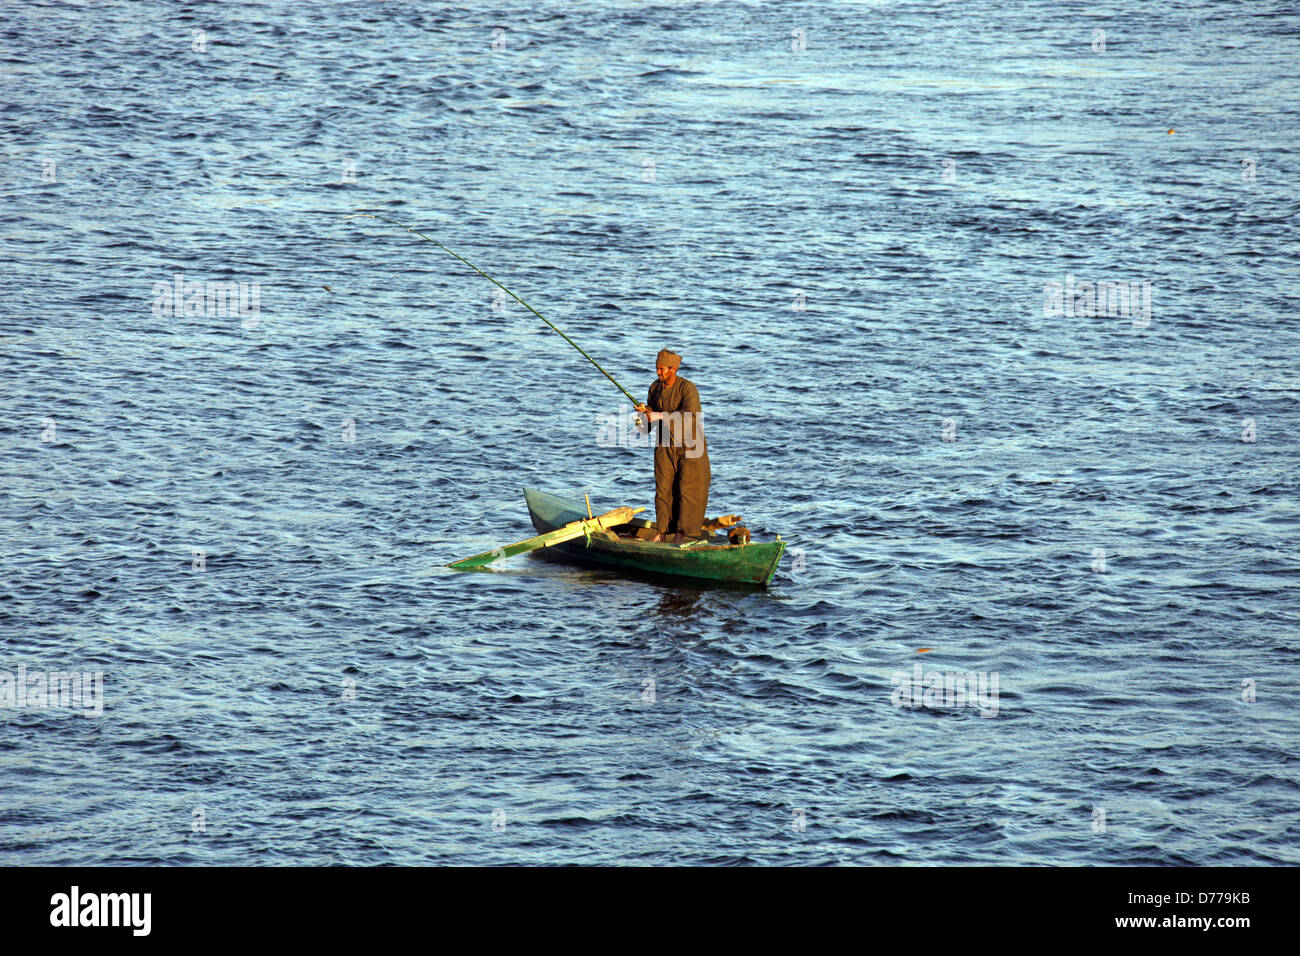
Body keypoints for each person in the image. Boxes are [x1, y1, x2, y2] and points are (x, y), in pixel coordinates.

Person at [634, 349, 711, 543]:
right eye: (657, 369)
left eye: (662, 369)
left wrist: (660, 415)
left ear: (673, 369)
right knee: (663, 489)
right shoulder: (654, 388)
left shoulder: (688, 388)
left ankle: (683, 534)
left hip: (690, 446)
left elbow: (691, 417)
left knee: (688, 490)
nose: (658, 373)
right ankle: (662, 532)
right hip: (664, 445)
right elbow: (646, 427)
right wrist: (643, 415)